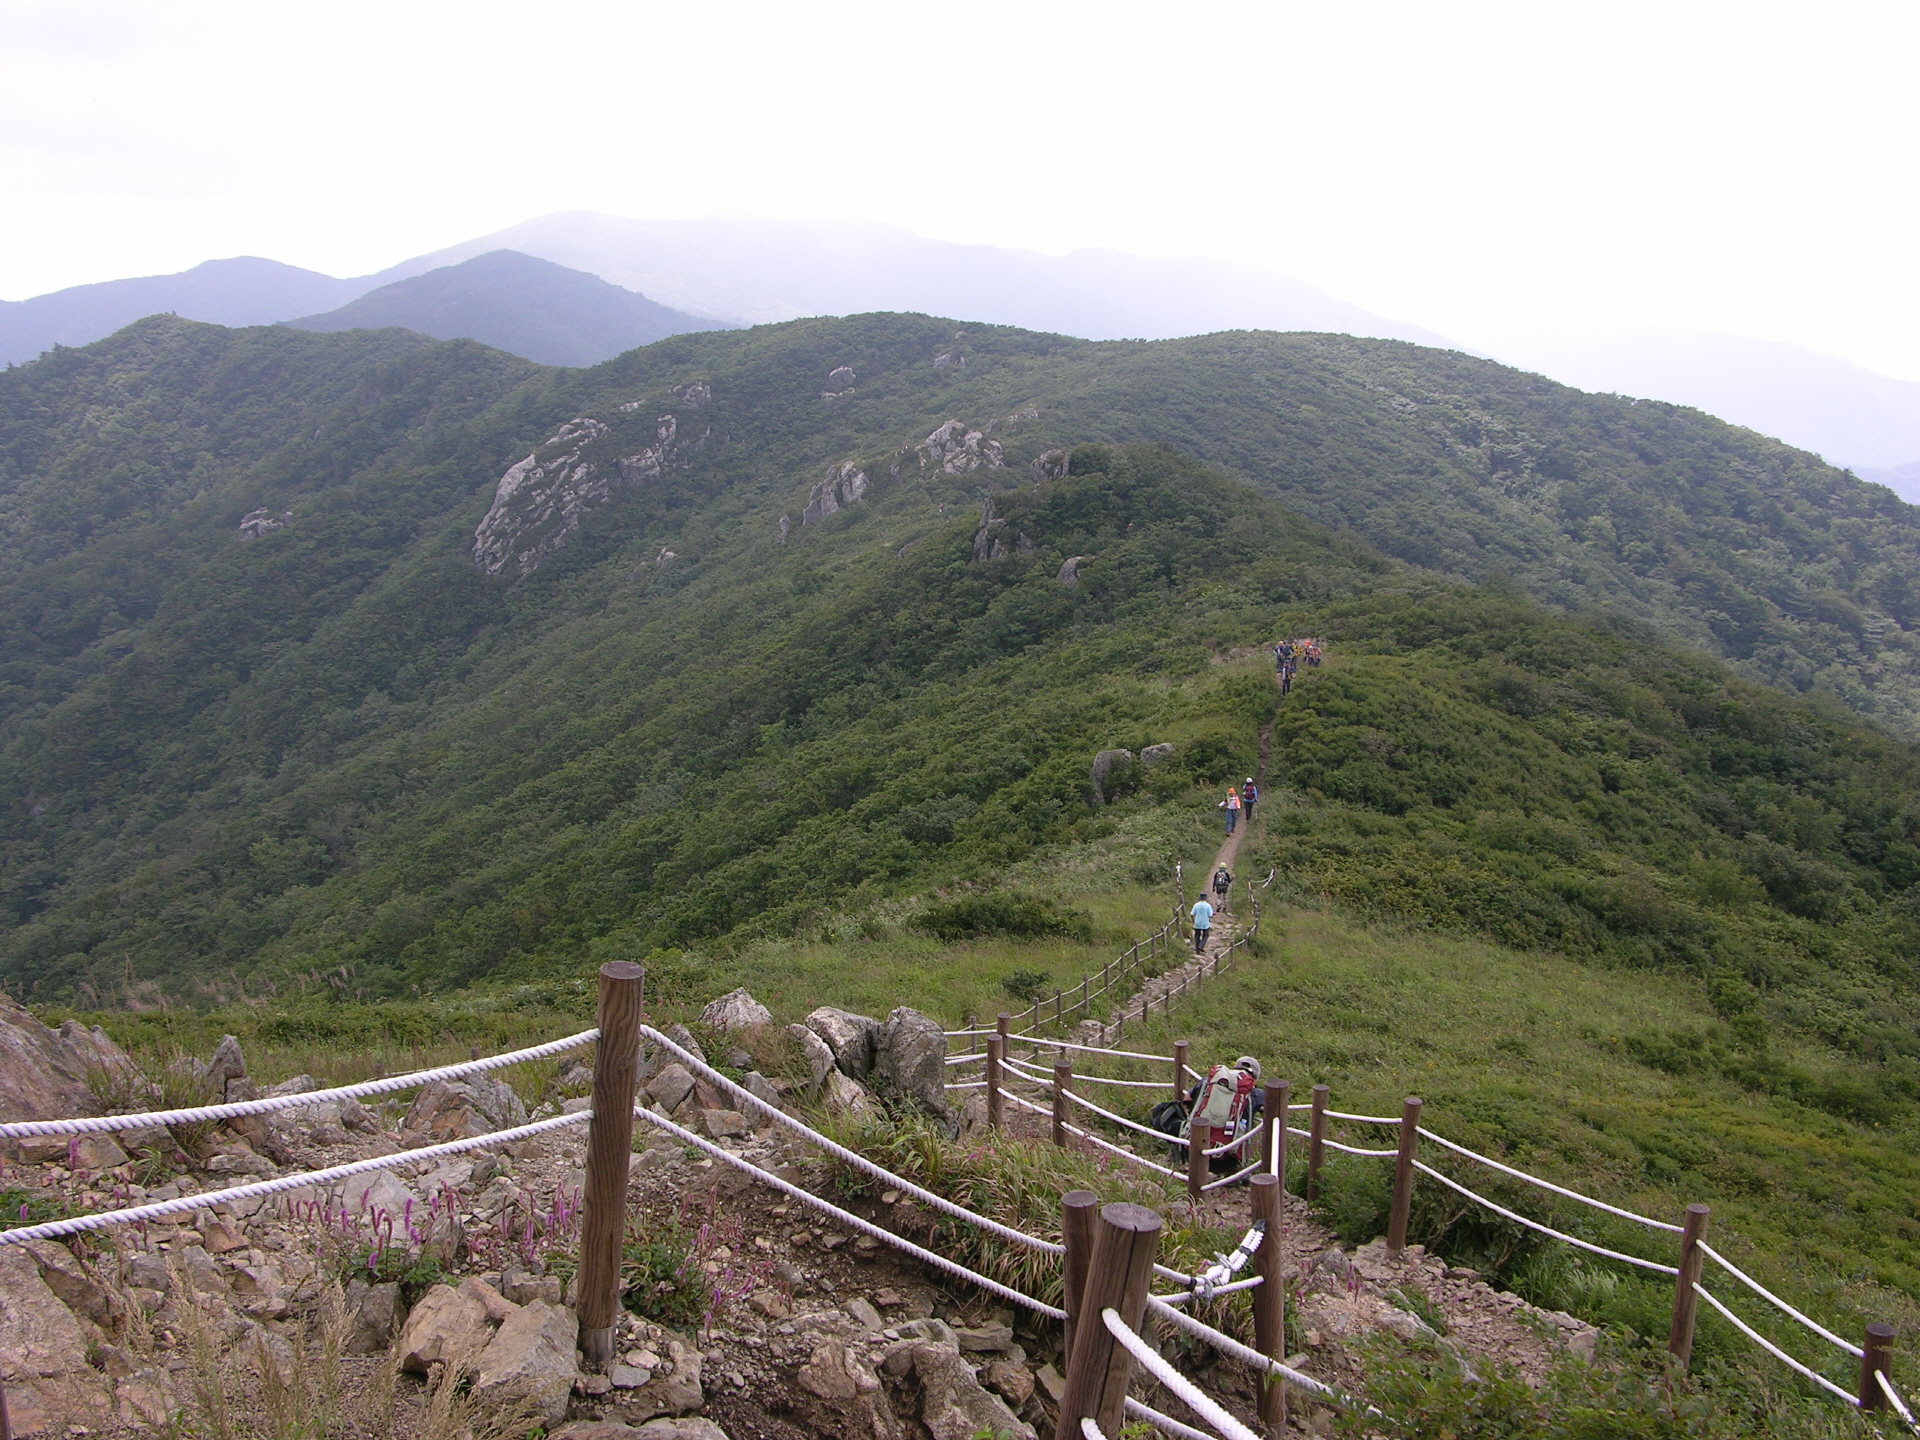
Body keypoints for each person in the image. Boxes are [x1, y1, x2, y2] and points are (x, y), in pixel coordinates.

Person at [1156, 1055, 1265, 1175]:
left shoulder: (1207, 1082)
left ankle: (1175, 1158)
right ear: (1255, 1079)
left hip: (1193, 1152)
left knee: (1172, 1114)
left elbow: (1186, 1100)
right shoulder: (1256, 1094)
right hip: (1227, 1161)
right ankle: (1235, 1176)